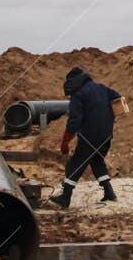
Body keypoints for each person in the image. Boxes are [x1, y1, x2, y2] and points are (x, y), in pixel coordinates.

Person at [53, 66, 127, 208]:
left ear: (71, 82)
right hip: (106, 135)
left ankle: (65, 198)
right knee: (97, 160)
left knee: (76, 163)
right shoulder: (101, 88)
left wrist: (65, 141)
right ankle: (109, 192)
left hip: (89, 136)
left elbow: (74, 121)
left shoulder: (78, 95)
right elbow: (118, 97)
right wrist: (108, 117)